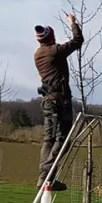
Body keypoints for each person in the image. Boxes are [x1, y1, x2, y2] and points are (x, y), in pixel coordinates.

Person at [34, 14, 84, 189]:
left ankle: (46, 177)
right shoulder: (54, 51)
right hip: (59, 101)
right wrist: (73, 23)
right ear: (51, 37)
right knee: (63, 139)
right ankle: (46, 175)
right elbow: (78, 41)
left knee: (49, 139)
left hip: (47, 100)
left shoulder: (38, 54)